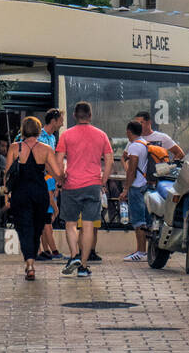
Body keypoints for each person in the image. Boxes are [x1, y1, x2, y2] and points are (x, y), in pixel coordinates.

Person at [56, 101, 114, 277]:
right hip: (92, 185)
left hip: (71, 185)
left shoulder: (66, 135)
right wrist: (102, 180)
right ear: (90, 115)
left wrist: (61, 179)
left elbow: (58, 160)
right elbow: (109, 160)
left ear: (74, 115)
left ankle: (74, 255)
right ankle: (83, 265)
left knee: (70, 223)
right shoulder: (101, 135)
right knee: (88, 226)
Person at [5, 117, 61, 280]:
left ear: (23, 130)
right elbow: (55, 173)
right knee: (36, 229)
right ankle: (32, 261)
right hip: (39, 193)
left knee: (24, 229)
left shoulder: (15, 148)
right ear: (38, 130)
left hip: (20, 194)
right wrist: (62, 180)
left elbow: (7, 174)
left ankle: (29, 264)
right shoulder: (46, 149)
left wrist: (7, 194)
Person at [118, 120, 150, 262]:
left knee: (138, 221)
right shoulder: (144, 143)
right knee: (145, 220)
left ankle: (141, 252)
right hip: (146, 185)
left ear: (129, 131)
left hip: (136, 187)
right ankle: (142, 250)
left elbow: (132, 171)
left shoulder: (134, 147)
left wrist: (125, 189)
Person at [37, 109, 64, 260]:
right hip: (44, 180)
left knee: (46, 219)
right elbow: (45, 161)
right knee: (46, 218)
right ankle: (52, 250)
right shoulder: (40, 136)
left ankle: (45, 250)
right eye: (60, 119)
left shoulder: (52, 138)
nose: (62, 123)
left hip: (50, 181)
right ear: (53, 120)